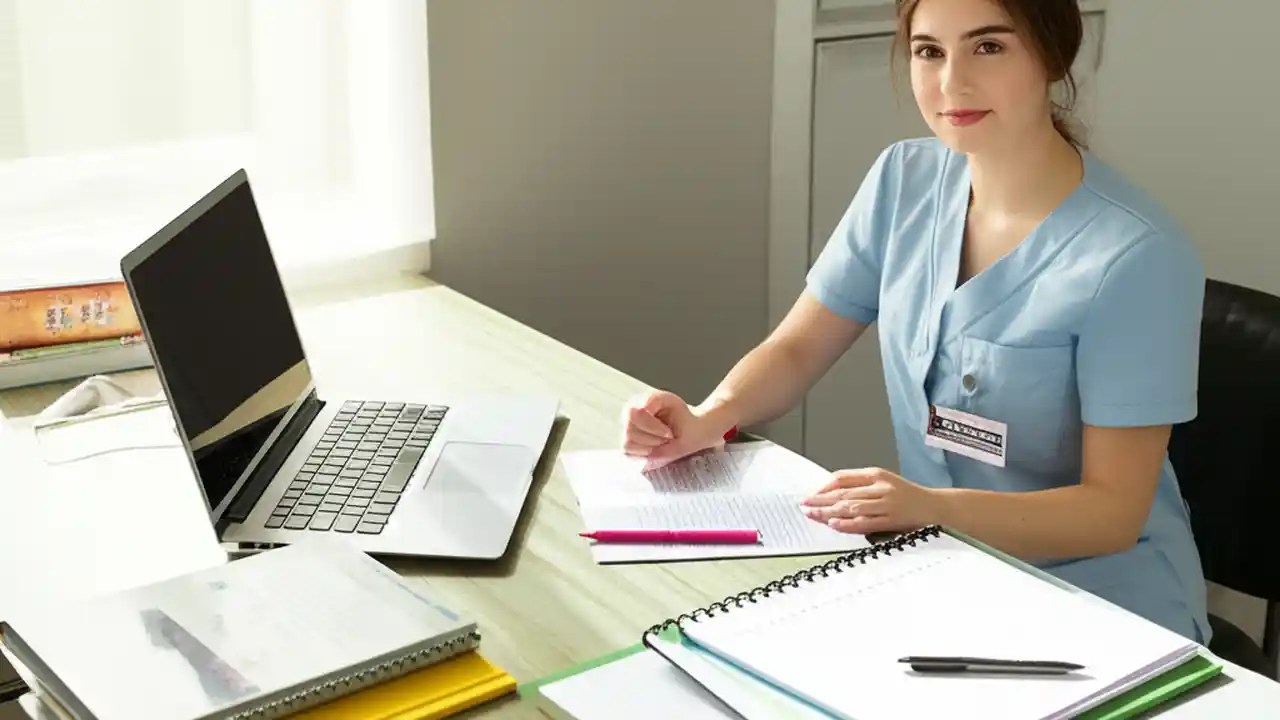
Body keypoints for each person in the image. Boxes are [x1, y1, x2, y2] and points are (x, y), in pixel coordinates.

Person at [621, 0, 1211, 645]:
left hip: (1105, 609)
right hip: (943, 576)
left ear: (1053, 54)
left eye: (988, 47)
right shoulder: (904, 179)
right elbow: (796, 348)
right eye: (929, 51)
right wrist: (711, 416)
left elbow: (1111, 515)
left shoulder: (1136, 257)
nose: (950, 82)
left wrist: (930, 509)